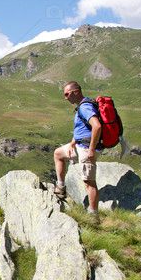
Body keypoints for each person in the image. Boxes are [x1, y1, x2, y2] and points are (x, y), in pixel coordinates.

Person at [53, 81, 101, 219]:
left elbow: (96, 126)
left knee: (89, 183)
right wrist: (73, 142)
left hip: (86, 149)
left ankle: (93, 216)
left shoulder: (85, 107)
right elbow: (83, 127)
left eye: (67, 94)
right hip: (79, 145)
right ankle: (61, 187)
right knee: (58, 154)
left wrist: (91, 150)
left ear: (76, 92)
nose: (66, 97)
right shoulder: (82, 106)